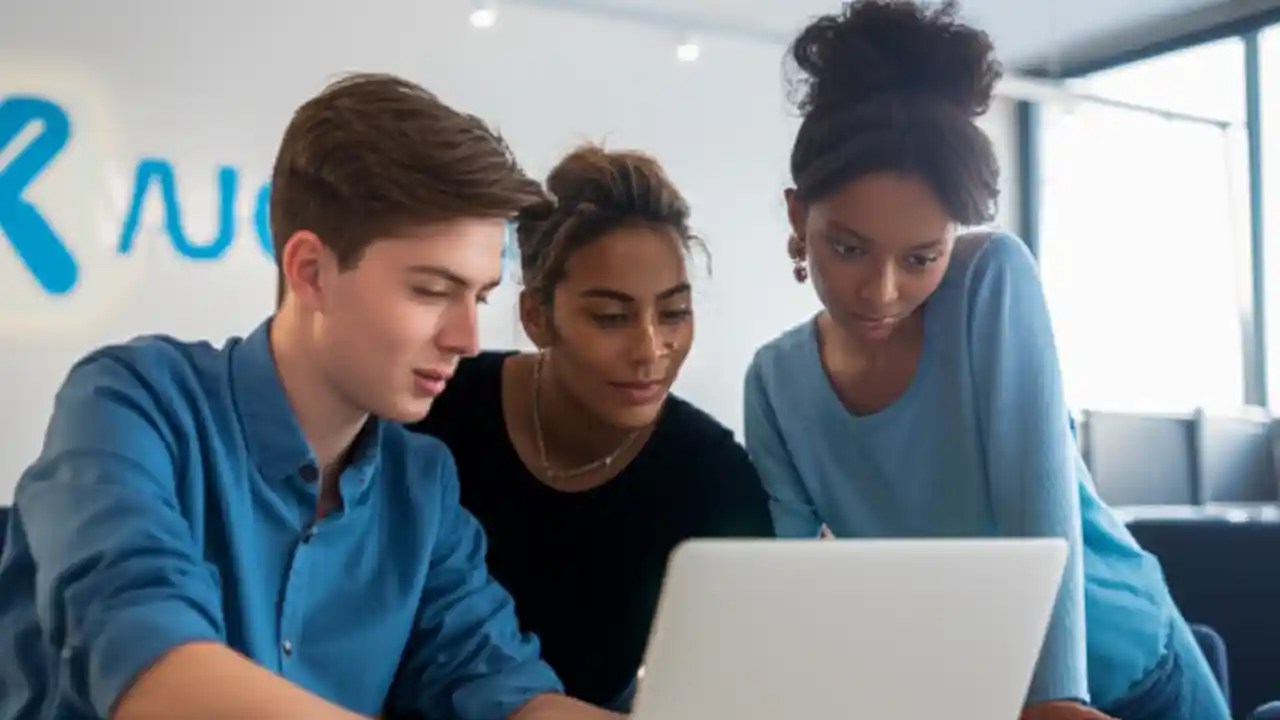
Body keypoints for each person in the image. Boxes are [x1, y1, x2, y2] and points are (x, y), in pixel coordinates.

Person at [0, 73, 619, 720]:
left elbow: (503, 692)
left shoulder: (421, 486)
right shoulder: (133, 405)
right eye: (433, 291)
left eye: (480, 296)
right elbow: (153, 670)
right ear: (310, 272)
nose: (467, 339)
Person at [742, 3, 1232, 720]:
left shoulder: (990, 280)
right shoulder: (774, 382)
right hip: (974, 693)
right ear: (797, 219)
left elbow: (1040, 509)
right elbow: (793, 588)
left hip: (1124, 668)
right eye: (848, 249)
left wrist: (1055, 694)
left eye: (921, 258)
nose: (883, 292)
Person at [408, 143, 775, 711]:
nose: (651, 349)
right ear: (536, 317)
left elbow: (741, 682)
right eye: (611, 317)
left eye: (674, 312)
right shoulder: (438, 410)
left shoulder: (711, 477)